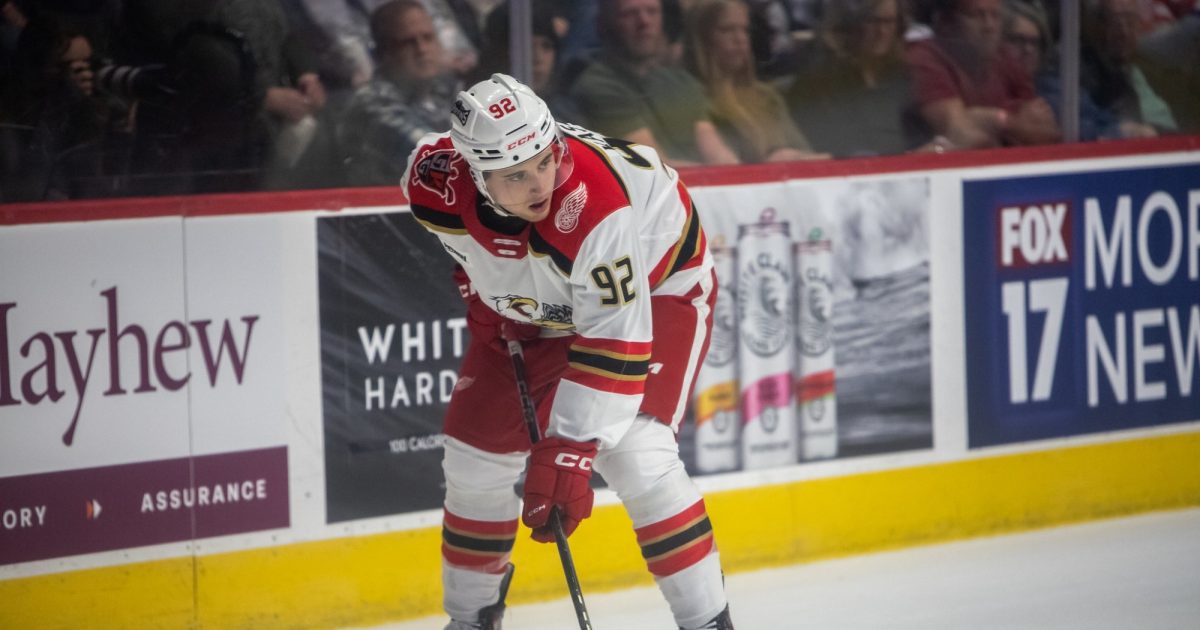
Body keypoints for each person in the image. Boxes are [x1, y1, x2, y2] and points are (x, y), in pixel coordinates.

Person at [402, 73, 735, 630]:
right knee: (473, 459)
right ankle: (470, 618)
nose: (540, 184)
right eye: (515, 175)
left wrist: (571, 451)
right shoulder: (432, 179)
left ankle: (707, 623)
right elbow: (461, 240)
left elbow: (617, 341)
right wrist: (486, 288)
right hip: (546, 301)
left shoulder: (593, 206)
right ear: (477, 175)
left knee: (637, 454)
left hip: (657, 288)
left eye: (545, 161)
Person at [570, 0, 740, 166]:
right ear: (603, 24)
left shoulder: (681, 81)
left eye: (652, 11)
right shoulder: (598, 85)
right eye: (629, 13)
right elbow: (654, 167)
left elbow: (717, 154)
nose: (644, 21)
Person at [906, 0, 1061, 148]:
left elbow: (1042, 129)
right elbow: (959, 131)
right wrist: (1006, 121)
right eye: (977, 15)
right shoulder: (924, 57)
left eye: (996, 15)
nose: (989, 26)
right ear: (946, 21)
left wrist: (985, 119)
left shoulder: (1004, 58)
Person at [786, 0, 932, 156]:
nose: (882, 31)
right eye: (872, 21)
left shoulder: (902, 78)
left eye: (889, 22)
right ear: (848, 25)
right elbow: (834, 150)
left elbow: (919, 137)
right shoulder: (818, 83)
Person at [338, 0, 461, 185]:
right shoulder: (372, 105)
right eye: (408, 43)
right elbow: (441, 162)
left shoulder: (441, 90)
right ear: (383, 53)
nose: (422, 49)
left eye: (428, 38)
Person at [683, 0, 822, 162]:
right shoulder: (695, 102)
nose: (740, 39)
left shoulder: (766, 97)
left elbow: (803, 150)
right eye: (727, 30)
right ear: (701, 38)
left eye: (745, 30)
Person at [1080, 0, 1178, 136]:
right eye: (1115, 23)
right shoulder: (1079, 73)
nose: (1124, 32)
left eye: (1130, 22)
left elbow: (1165, 127)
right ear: (1098, 27)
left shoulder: (1140, 71)